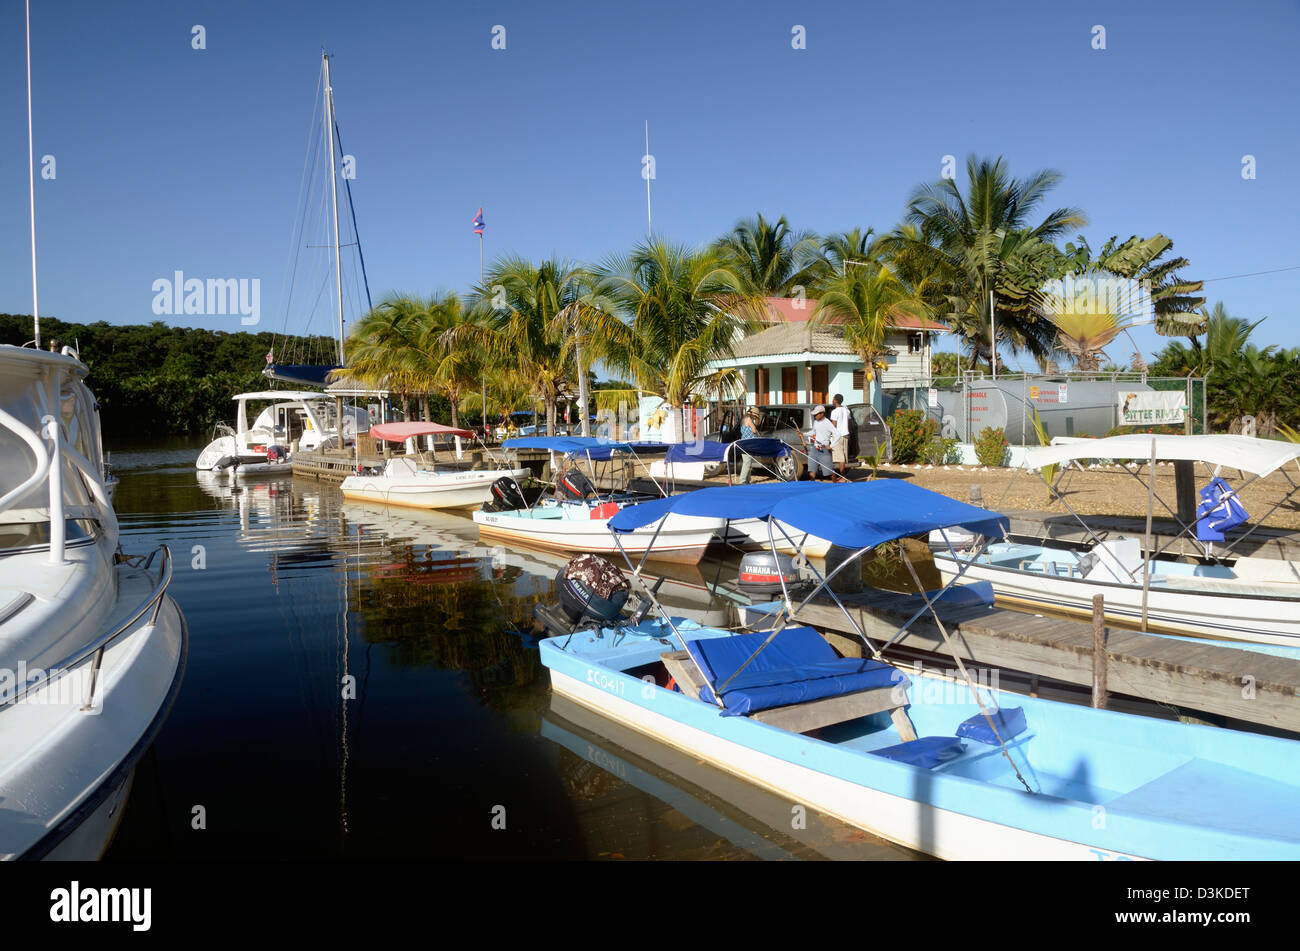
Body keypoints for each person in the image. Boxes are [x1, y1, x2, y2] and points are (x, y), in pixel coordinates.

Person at [805, 405, 837, 480]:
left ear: (822, 414)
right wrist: (803, 434)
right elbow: (813, 432)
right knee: (812, 469)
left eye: (816, 414)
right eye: (814, 414)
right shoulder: (816, 422)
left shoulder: (828, 423)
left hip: (824, 449)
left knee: (829, 471)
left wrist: (831, 446)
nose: (814, 416)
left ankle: (836, 485)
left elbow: (837, 435)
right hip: (815, 447)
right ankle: (811, 487)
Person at [736, 408, 760, 484]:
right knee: (747, 462)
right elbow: (754, 430)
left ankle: (747, 480)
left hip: (745, 443)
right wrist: (757, 433)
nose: (755, 418)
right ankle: (742, 480)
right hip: (747, 444)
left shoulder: (744, 419)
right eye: (755, 417)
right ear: (753, 415)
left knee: (748, 462)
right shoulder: (749, 419)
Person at [829, 394, 850, 476]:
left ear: (835, 400)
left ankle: (842, 476)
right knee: (843, 457)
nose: (832, 400)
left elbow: (834, 425)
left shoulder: (834, 412)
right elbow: (849, 421)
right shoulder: (846, 410)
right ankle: (842, 475)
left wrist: (829, 435)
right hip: (845, 435)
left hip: (838, 436)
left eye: (833, 399)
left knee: (840, 458)